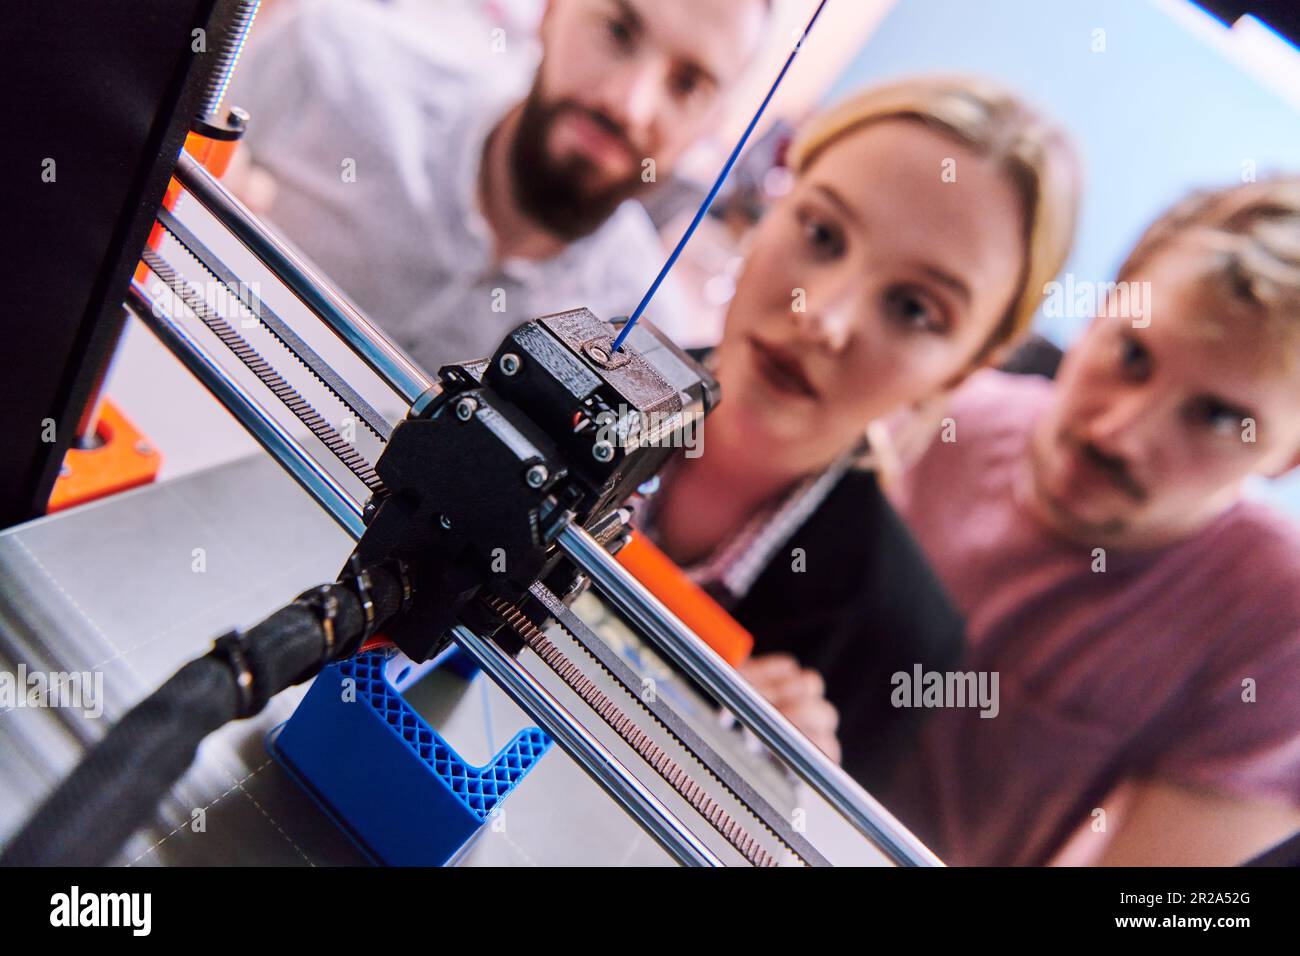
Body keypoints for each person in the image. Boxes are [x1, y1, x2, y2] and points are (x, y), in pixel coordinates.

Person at [640, 76, 1082, 787]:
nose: (823, 318)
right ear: (771, 204)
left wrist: (766, 794)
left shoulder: (900, 642)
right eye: (821, 234)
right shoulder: (562, 368)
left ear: (965, 368)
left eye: (912, 308)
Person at [883, 177, 1300, 865]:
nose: (1120, 435)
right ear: (1101, 305)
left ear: (1290, 456)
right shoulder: (938, 416)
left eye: (1219, 418)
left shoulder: (1272, 623)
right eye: (1132, 355)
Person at [226, 0, 769, 372]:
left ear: (714, 124)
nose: (628, 103)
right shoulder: (327, 61)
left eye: (688, 85)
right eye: (618, 31)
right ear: (553, 10)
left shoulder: (636, 338)